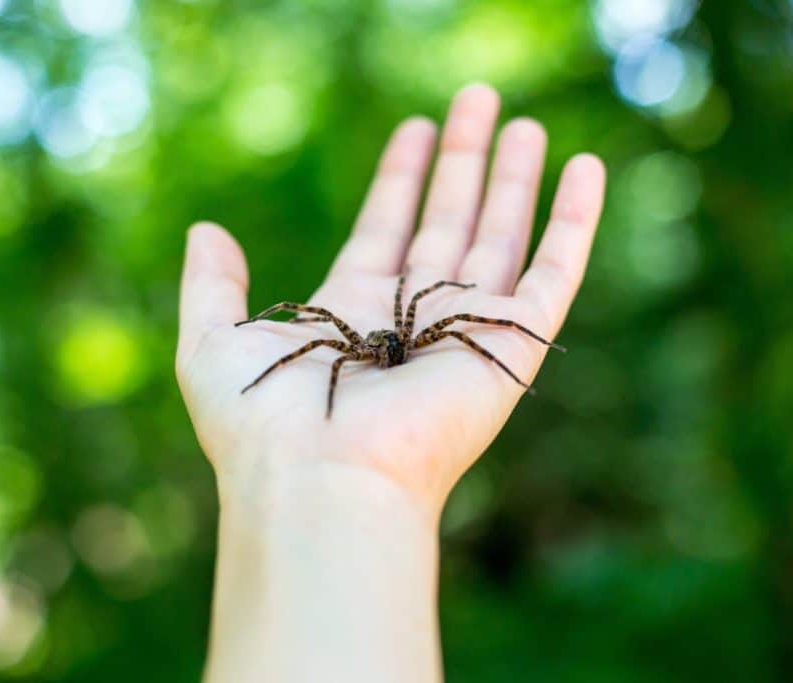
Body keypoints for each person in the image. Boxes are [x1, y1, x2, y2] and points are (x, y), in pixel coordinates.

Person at [175, 83, 606, 682]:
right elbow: (318, 338)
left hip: (415, 317)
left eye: (393, 344)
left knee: (456, 319)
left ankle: (528, 351)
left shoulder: (408, 329)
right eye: (387, 345)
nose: (391, 349)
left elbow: (436, 301)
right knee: (319, 334)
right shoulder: (355, 348)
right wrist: (318, 437)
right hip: (346, 351)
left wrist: (520, 351)